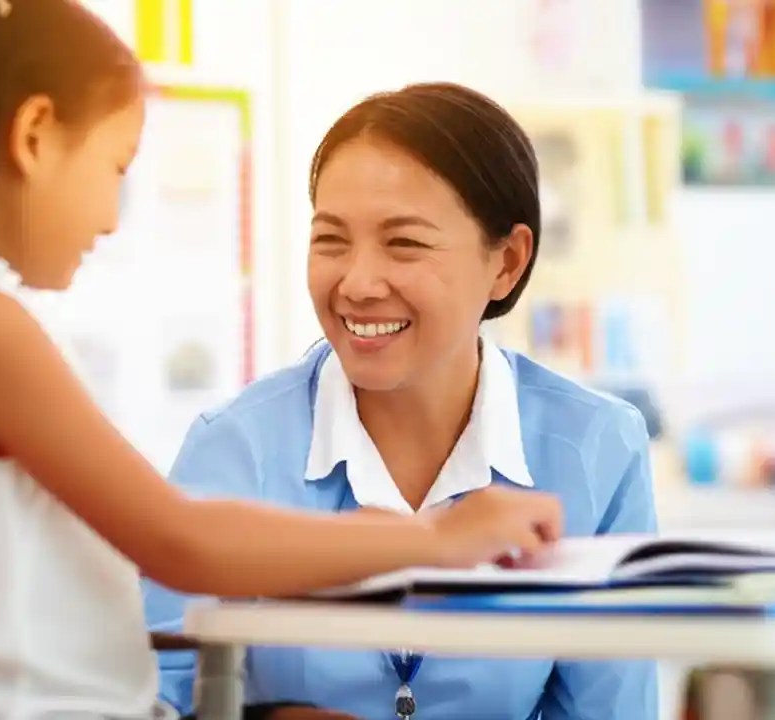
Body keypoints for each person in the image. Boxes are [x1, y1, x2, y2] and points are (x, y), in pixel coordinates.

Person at [0, 4, 565, 719]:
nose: (110, 217)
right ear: (35, 136)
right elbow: (181, 541)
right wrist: (433, 540)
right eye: (114, 169)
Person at [144, 83, 659, 720]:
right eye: (331, 240)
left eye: (404, 244)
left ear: (506, 262)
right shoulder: (235, 447)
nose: (357, 283)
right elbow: (156, 699)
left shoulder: (597, 446)